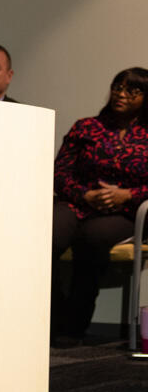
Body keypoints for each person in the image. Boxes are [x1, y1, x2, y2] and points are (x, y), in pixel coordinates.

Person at [50, 67, 148, 346]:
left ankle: (74, 325)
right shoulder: (86, 127)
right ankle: (54, 315)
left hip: (126, 212)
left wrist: (127, 195)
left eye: (132, 90)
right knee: (47, 234)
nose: (121, 94)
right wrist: (85, 195)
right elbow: (60, 173)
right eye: (117, 87)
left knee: (92, 237)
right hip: (79, 202)